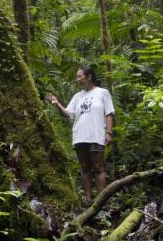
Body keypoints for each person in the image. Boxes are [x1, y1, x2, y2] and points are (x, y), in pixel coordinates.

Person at [46, 65, 115, 203]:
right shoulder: (77, 96)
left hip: (96, 135)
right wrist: (56, 103)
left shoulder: (102, 93)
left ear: (89, 77)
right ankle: (88, 199)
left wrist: (109, 132)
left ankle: (102, 201)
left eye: (79, 76)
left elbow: (109, 114)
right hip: (80, 136)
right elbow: (68, 114)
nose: (77, 79)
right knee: (85, 169)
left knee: (98, 167)